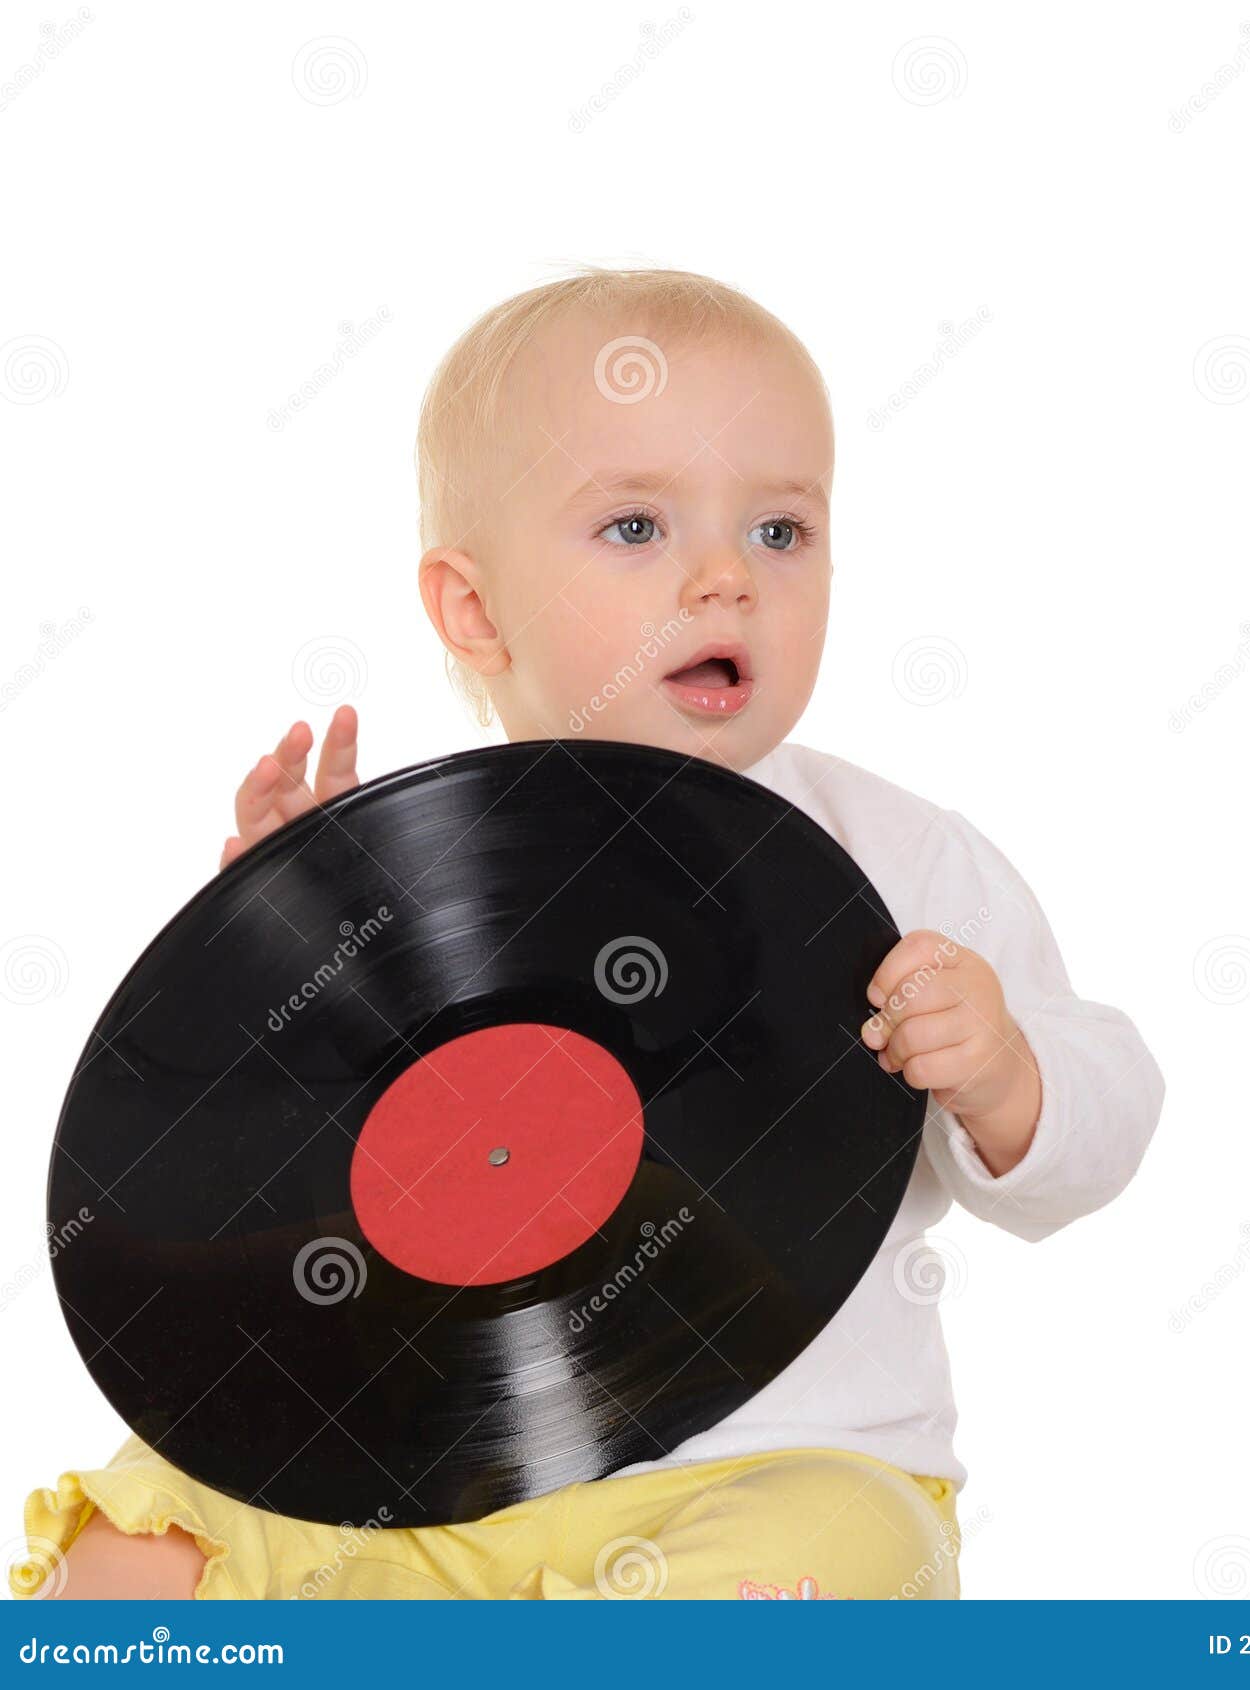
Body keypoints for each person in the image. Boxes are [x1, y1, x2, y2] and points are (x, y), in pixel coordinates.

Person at [10, 268, 1164, 1601]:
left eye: (781, 531)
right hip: (427, 1485)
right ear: (474, 609)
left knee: (839, 1549)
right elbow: (263, 1177)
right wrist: (288, 945)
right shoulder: (412, 880)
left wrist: (1011, 1075)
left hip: (770, 1475)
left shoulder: (896, 854)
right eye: (635, 524)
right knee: (169, 1499)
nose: (725, 577)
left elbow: (1103, 1123)